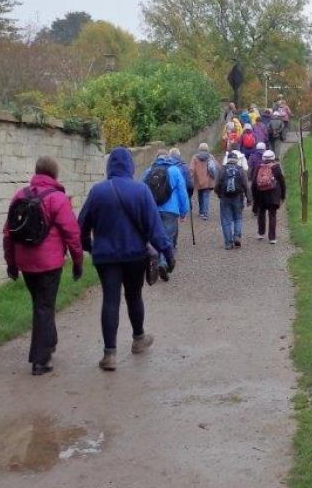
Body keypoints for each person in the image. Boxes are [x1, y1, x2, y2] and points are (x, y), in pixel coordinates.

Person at [78, 147, 175, 371]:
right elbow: (155, 229)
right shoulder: (141, 191)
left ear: (109, 166)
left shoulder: (97, 192)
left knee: (110, 300)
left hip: (106, 257)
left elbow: (80, 227)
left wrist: (90, 248)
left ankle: (109, 354)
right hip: (134, 255)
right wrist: (168, 254)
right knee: (134, 296)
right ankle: (139, 339)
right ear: (130, 166)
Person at [2, 156, 84, 376]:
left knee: (41, 304)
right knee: (44, 306)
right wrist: (78, 261)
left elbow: (8, 233)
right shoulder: (57, 198)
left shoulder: (20, 195)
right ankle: (41, 360)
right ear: (54, 174)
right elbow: (72, 233)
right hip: (49, 263)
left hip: (26, 263)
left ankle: (50, 341)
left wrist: (11, 263)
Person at [142, 149, 190, 277]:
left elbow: (142, 192)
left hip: (152, 210)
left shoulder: (148, 171)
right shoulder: (175, 170)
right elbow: (182, 192)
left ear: (156, 158)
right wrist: (184, 210)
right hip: (171, 210)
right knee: (167, 237)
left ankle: (155, 264)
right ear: (168, 158)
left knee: (153, 238)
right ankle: (163, 263)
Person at [216, 151, 252, 249]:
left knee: (226, 220)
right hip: (238, 198)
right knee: (238, 218)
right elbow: (246, 186)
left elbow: (217, 185)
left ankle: (228, 243)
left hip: (225, 198)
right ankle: (237, 237)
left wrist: (219, 194)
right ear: (236, 160)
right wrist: (249, 199)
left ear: (228, 160)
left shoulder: (222, 170)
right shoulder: (240, 170)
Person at [252, 149, 287, 244]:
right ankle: (272, 237)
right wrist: (283, 195)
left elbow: (254, 183)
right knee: (272, 215)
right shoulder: (276, 167)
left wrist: (254, 197)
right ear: (273, 158)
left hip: (261, 195)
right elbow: (282, 182)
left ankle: (261, 233)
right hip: (273, 196)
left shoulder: (259, 167)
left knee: (261, 214)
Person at [189, 143, 218, 221]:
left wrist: (190, 176)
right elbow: (216, 166)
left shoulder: (195, 158)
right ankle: (205, 213)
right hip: (208, 180)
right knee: (206, 196)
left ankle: (201, 211)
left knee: (200, 195)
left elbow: (191, 169)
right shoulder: (210, 157)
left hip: (199, 181)